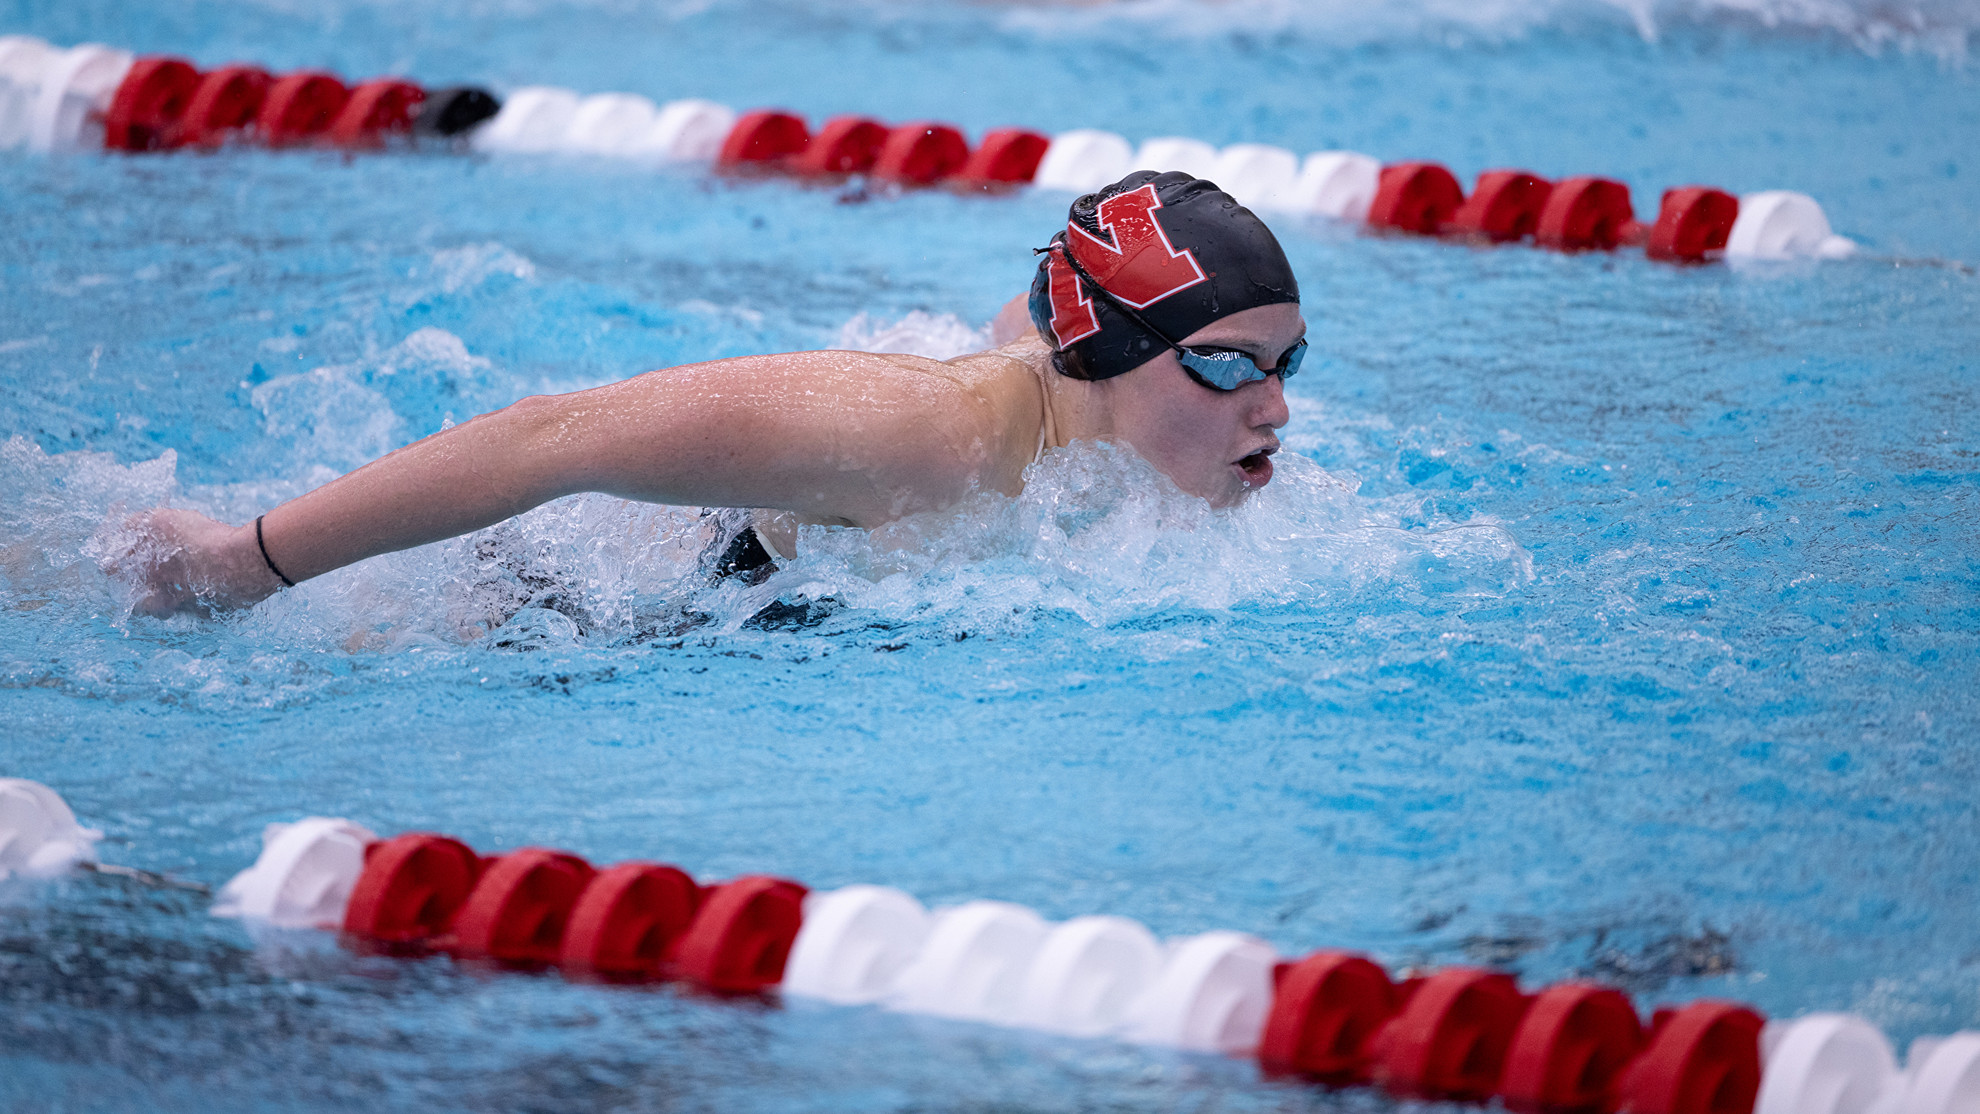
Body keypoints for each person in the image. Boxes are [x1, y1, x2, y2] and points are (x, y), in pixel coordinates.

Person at [119, 170, 1308, 617]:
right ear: (1101, 358)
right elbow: (549, 438)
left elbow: (1044, 313)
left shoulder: (1085, 387)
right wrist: (239, 565)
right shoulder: (911, 438)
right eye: (1225, 366)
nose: (1274, 410)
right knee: (125, 573)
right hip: (553, 591)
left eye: (1284, 365)